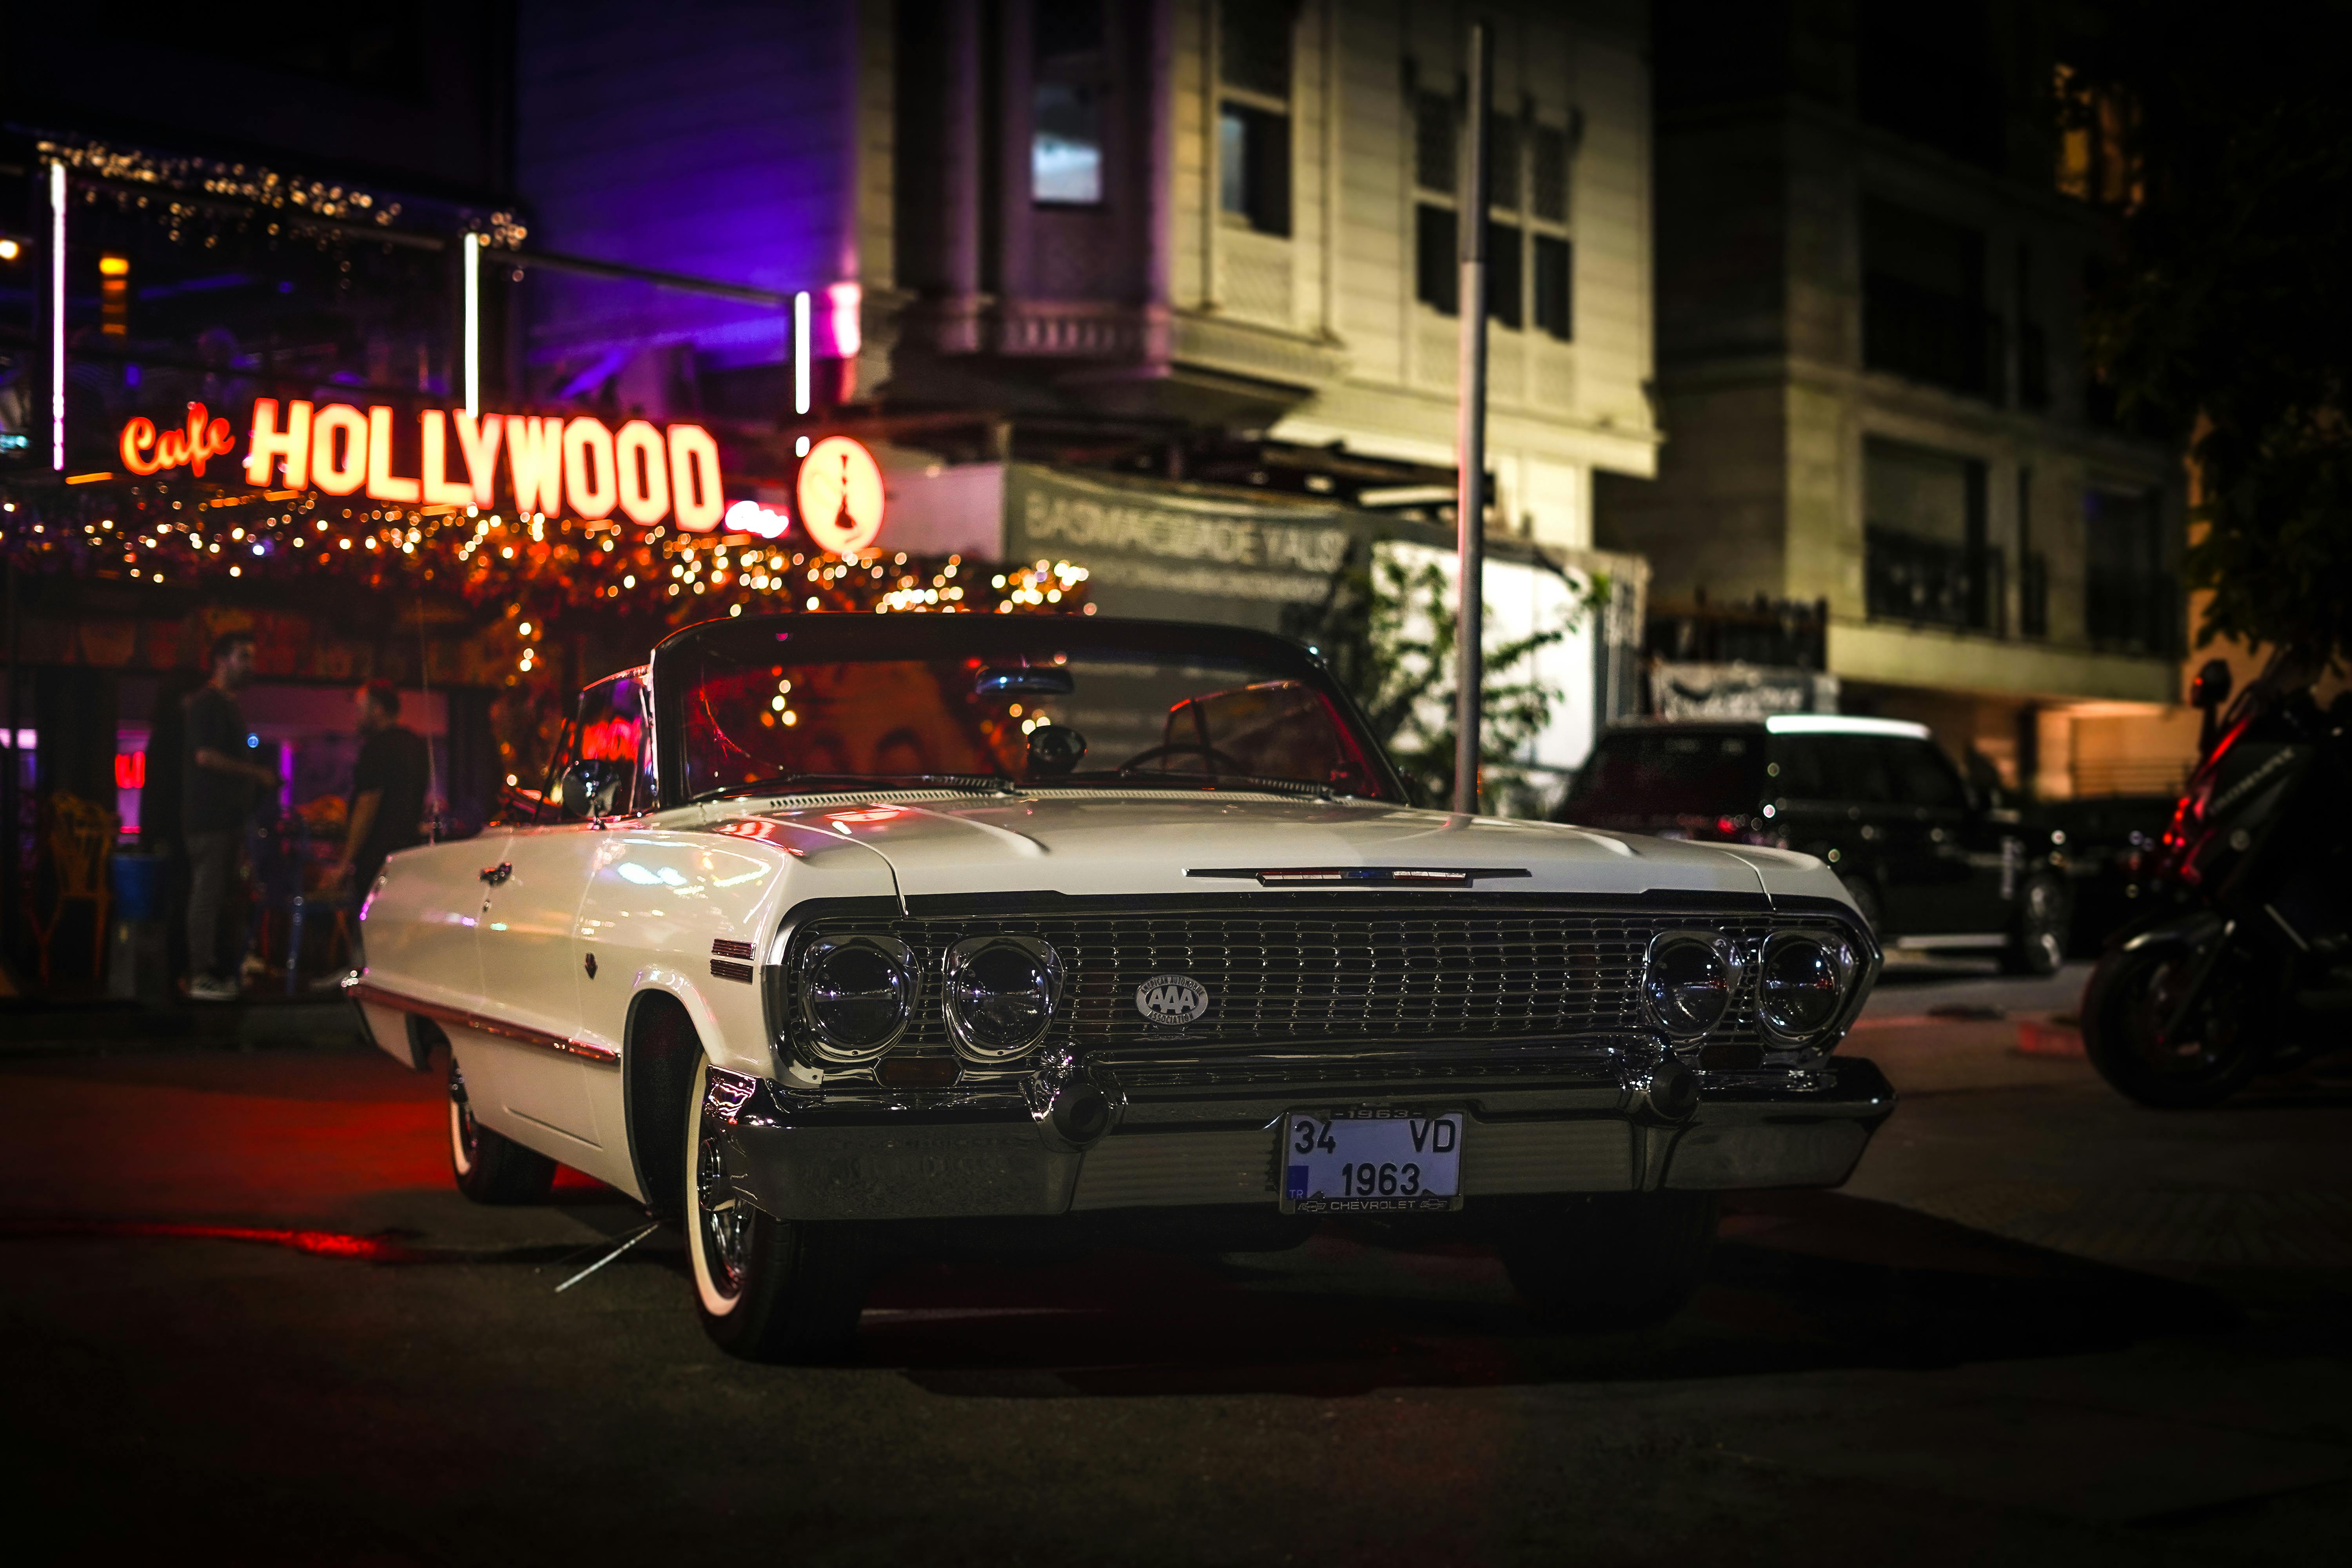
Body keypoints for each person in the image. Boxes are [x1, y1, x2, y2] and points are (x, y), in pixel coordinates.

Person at [183, 632, 275, 1001]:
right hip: (210, 819)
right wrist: (255, 774)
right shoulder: (208, 704)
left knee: (221, 895)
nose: (250, 665)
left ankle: (217, 969)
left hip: (224, 818)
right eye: (244, 657)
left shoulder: (224, 704)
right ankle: (200, 974)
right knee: (208, 894)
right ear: (221, 659)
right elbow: (204, 756)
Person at [330, 681, 428, 963]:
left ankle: (361, 978)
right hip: (407, 851)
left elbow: (367, 806)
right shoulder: (415, 745)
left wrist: (345, 861)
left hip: (375, 854)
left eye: (361, 710)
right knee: (396, 929)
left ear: (379, 710)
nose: (356, 717)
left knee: (368, 923)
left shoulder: (379, 748)